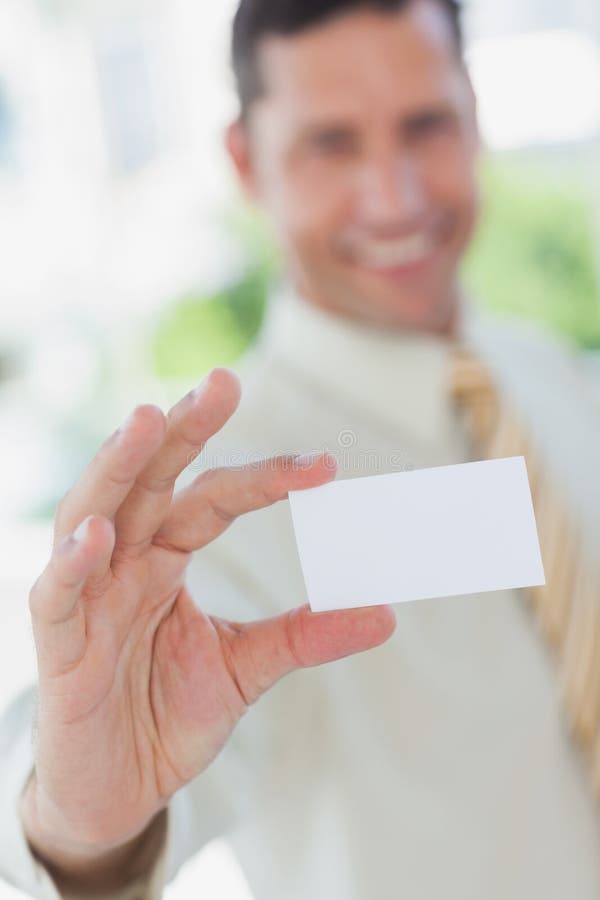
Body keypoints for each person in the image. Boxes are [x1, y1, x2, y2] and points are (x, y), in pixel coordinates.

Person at [2, 0, 600, 897]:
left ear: (473, 110)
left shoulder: (556, 378)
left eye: (425, 123)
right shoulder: (213, 506)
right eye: (331, 143)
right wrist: (76, 823)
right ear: (246, 162)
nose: (395, 195)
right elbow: (105, 787)